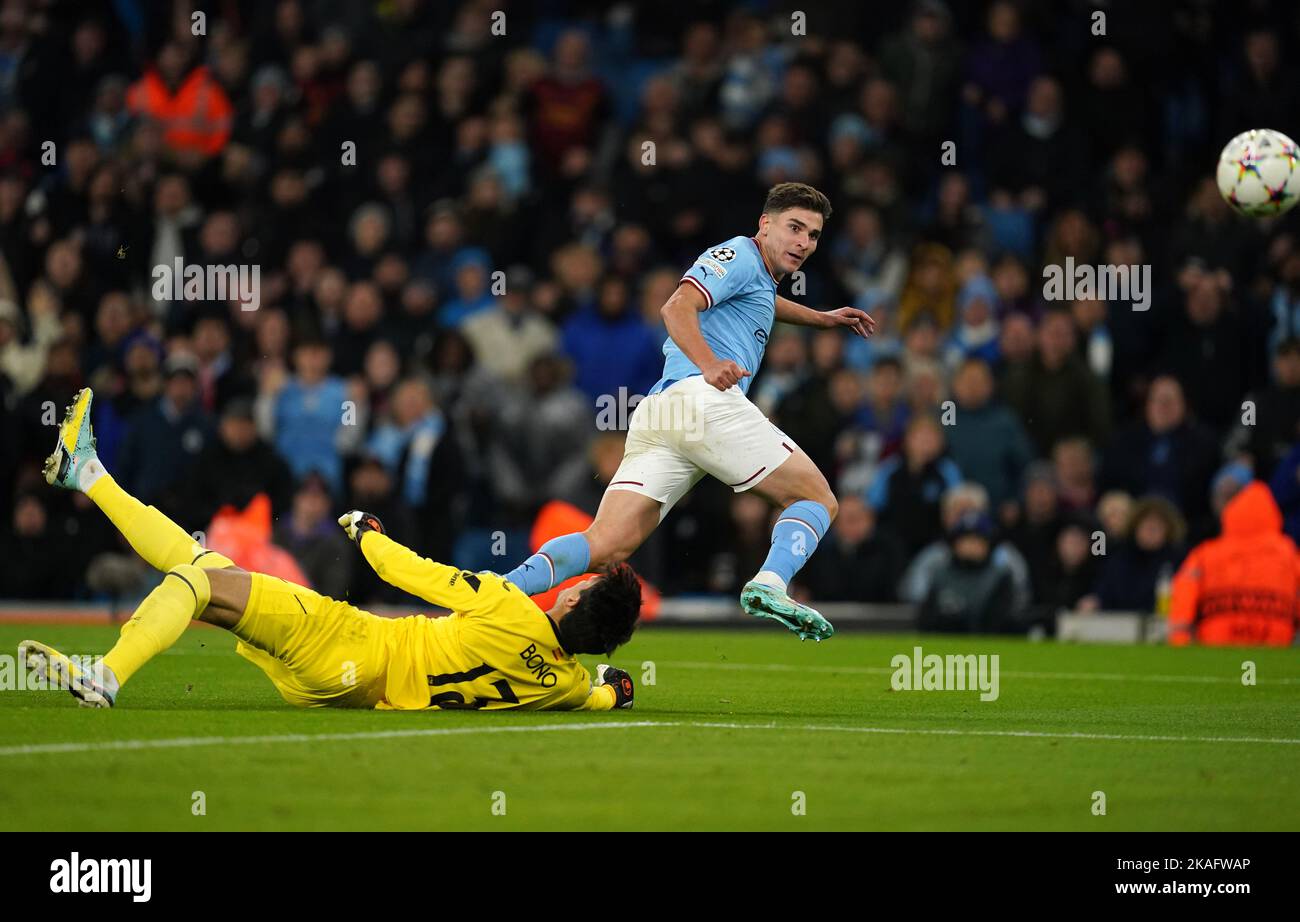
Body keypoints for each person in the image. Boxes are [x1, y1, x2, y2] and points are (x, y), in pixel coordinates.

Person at [21, 389, 639, 712]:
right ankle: (86, 471)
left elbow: (414, 573)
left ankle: (104, 676)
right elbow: (604, 692)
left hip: (351, 642)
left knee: (198, 580)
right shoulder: (562, 683)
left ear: (580, 591)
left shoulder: (507, 605)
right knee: (204, 567)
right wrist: (617, 685)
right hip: (346, 687)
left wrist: (368, 531)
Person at [501, 182, 875, 640]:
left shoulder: (756, 276)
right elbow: (676, 306)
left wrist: (823, 318)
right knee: (816, 499)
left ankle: (501, 590)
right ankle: (771, 583)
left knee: (604, 546)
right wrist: (710, 362)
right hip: (702, 400)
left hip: (663, 414)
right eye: (794, 227)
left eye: (813, 235)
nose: (803, 242)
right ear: (764, 224)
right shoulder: (738, 253)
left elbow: (763, 302)